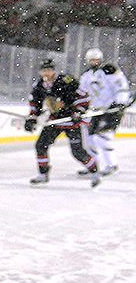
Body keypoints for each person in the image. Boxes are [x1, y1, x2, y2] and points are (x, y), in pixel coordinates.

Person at [26, 59, 98, 187]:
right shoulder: (39, 86)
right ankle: (43, 174)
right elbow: (35, 104)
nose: (46, 73)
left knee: (78, 152)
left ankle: (94, 171)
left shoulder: (66, 81)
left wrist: (78, 111)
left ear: (54, 71)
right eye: (44, 71)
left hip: (71, 121)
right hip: (55, 120)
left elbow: (83, 97)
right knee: (40, 145)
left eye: (49, 70)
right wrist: (32, 118)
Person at [77, 48, 127, 177]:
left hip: (111, 109)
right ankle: (94, 166)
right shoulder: (86, 75)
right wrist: (78, 107)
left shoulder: (109, 70)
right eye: (92, 60)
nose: (94, 62)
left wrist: (120, 102)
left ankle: (111, 165)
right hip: (96, 111)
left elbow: (121, 86)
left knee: (104, 137)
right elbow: (81, 93)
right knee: (90, 139)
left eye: (96, 59)